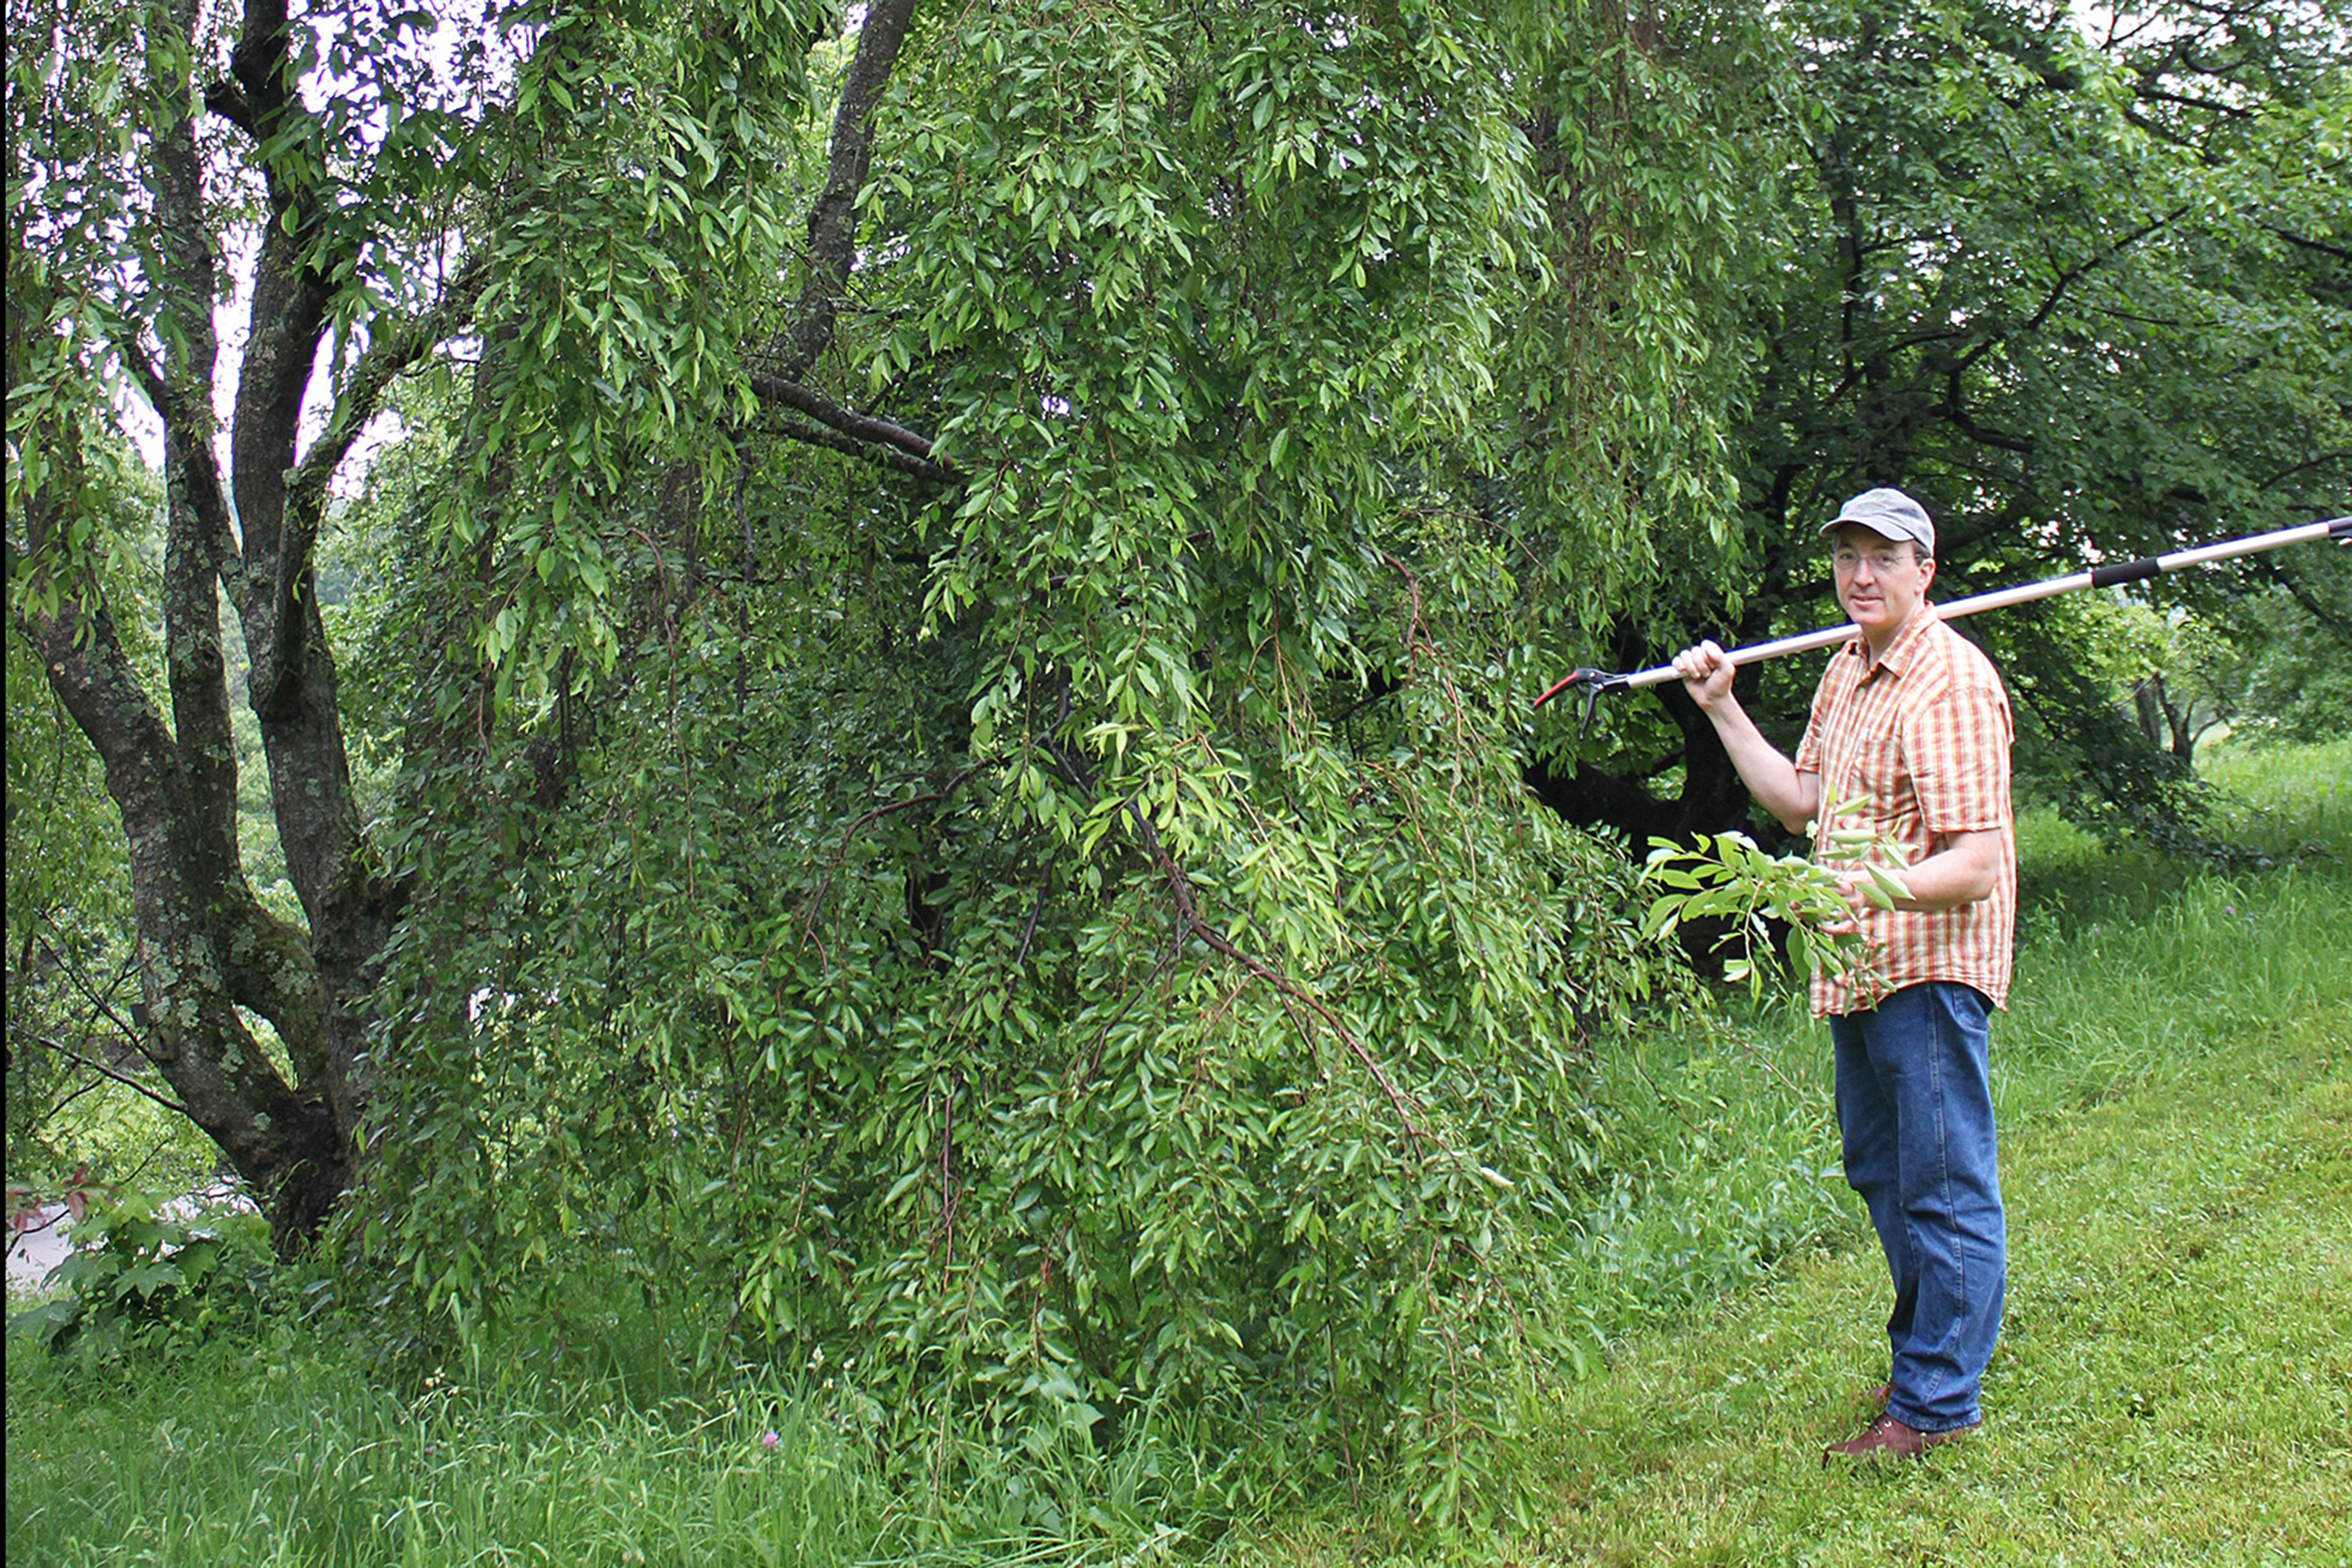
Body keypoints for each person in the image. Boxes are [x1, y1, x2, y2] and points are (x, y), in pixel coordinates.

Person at [1670, 487, 2016, 1464]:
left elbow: (1976, 863)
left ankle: (1936, 1401)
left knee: (1942, 1184)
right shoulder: (1845, 671)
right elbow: (1796, 803)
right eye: (1847, 556)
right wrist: (1722, 705)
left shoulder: (1948, 680)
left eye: (1883, 557)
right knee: (1883, 1168)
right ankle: (1931, 1353)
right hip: (1857, 966)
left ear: (1924, 570)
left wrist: (1864, 883)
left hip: (1929, 968)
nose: (1860, 575)